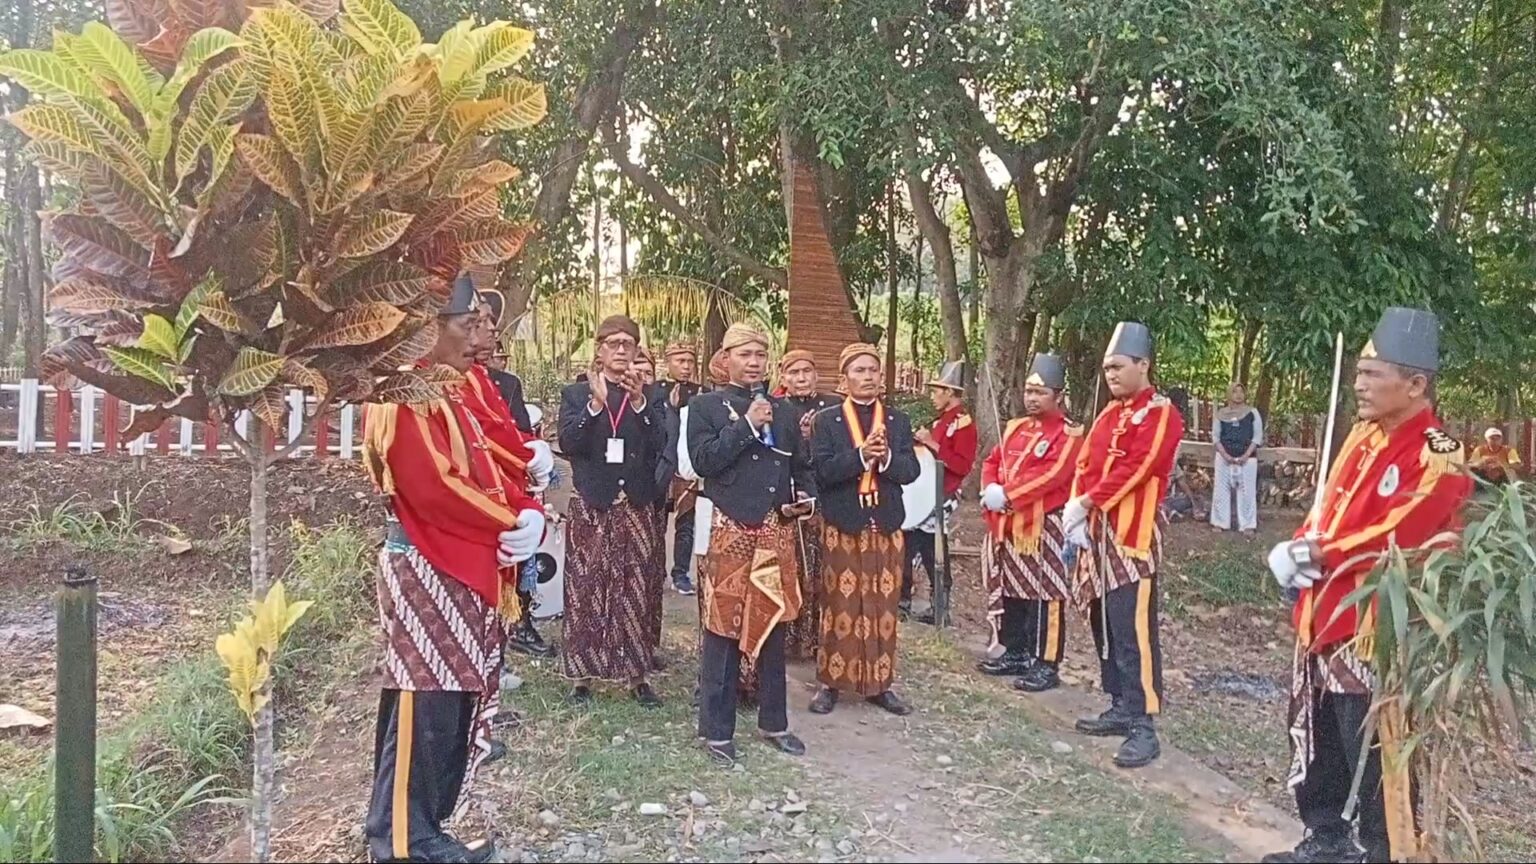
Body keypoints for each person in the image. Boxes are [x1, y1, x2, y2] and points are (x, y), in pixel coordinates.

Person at [1262, 308, 1471, 864]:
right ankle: (1325, 835)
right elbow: (1325, 507)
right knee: (1319, 732)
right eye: (1356, 373)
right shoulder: (1360, 436)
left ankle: (1389, 852)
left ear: (1416, 384)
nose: (1358, 385)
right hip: (1324, 611)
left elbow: (1403, 530)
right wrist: (1301, 544)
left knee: (1379, 750)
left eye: (1371, 374)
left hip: (1379, 623)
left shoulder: (1442, 451)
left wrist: (1319, 552)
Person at [359, 275, 546, 864]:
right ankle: (401, 840)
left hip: (454, 562)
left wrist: (525, 510)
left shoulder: (444, 386)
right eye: (468, 324)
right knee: (425, 702)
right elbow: (434, 485)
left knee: (443, 701)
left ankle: (421, 827)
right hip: (427, 562)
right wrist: (510, 522)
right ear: (428, 327)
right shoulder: (403, 392)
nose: (479, 336)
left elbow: (485, 460)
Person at [686, 323, 815, 764]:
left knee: (775, 624)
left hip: (775, 531)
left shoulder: (783, 412)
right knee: (722, 628)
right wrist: (745, 426)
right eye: (746, 354)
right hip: (729, 530)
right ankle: (716, 730)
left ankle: (774, 722)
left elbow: (801, 467)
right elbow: (705, 461)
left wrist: (804, 499)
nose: (755, 362)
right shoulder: (704, 406)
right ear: (726, 359)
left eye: (762, 354)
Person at [1061, 321, 1183, 769]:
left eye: (1118, 366)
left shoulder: (1162, 413)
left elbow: (1140, 466)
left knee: (1133, 629)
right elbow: (1087, 462)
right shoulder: (1109, 414)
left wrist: (1089, 500)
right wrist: (1077, 506)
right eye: (1106, 367)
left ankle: (1143, 722)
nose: (1110, 374)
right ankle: (1119, 702)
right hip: (1097, 535)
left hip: (1133, 538)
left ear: (1143, 365)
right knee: (1104, 622)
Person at [556, 315, 668, 706]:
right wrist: (594, 405)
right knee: (585, 587)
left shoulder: (652, 394)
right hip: (593, 503)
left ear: (637, 350)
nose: (621, 350)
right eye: (613, 343)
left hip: (636, 503)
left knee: (635, 587)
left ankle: (636, 675)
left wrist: (638, 403)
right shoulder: (576, 393)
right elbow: (569, 442)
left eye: (628, 344)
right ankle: (582, 677)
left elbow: (663, 442)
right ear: (599, 349)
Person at [808, 343, 922, 716]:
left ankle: (880, 683)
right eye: (859, 370)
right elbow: (822, 472)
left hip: (885, 523)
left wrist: (885, 458)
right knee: (839, 603)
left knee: (882, 605)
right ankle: (831, 682)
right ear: (844, 378)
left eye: (873, 370)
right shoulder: (827, 421)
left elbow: (910, 471)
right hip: (844, 523)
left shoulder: (897, 421)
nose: (868, 376)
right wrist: (860, 457)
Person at [977, 353, 1083, 694]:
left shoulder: (1069, 434)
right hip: (1010, 523)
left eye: (1041, 393)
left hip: (1045, 525)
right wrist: (989, 488)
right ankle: (1016, 650)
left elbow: (1053, 476)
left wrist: (1007, 495)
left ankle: (1046, 662)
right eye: (1028, 391)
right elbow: (993, 460)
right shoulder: (1016, 427)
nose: (1032, 399)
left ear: (1058, 396)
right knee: (1012, 589)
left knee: (1046, 592)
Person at [465, 289, 556, 662]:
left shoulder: (501, 384)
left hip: (506, 494)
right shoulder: (436, 384)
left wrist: (530, 457)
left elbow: (513, 434)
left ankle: (500, 654)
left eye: (490, 325)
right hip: (470, 508)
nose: (487, 333)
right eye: (476, 322)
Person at [902, 361, 978, 623]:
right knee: (909, 543)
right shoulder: (941, 421)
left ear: (950, 393)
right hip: (925, 492)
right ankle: (904, 601)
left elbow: (961, 464)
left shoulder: (962, 424)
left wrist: (931, 443)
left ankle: (940, 608)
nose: (933, 396)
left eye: (938, 391)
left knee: (933, 548)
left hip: (942, 494)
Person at [777, 349, 833, 660]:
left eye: (806, 372)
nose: (801, 378)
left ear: (816, 375)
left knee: (821, 571)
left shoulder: (833, 408)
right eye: (794, 373)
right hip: (789, 502)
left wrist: (815, 436)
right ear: (783, 377)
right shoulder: (777, 409)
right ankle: (788, 641)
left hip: (824, 498)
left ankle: (819, 639)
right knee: (792, 570)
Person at [659, 343, 706, 596]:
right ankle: (656, 572)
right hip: (662, 466)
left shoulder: (703, 394)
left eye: (690, 361)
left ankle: (681, 574)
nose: (686, 367)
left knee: (685, 523)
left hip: (687, 468)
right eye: (680, 361)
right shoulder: (657, 391)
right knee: (657, 522)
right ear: (669, 363)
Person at [1211, 382, 1264, 534]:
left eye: (1241, 392)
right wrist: (1225, 455)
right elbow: (1216, 437)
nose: (1239, 395)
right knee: (1221, 490)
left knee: (1247, 491)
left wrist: (1246, 455)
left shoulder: (1252, 413)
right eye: (1235, 392)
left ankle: (1247, 525)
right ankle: (1220, 522)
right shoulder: (1221, 414)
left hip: (1248, 457)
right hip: (1224, 457)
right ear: (1229, 394)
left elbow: (1257, 436)